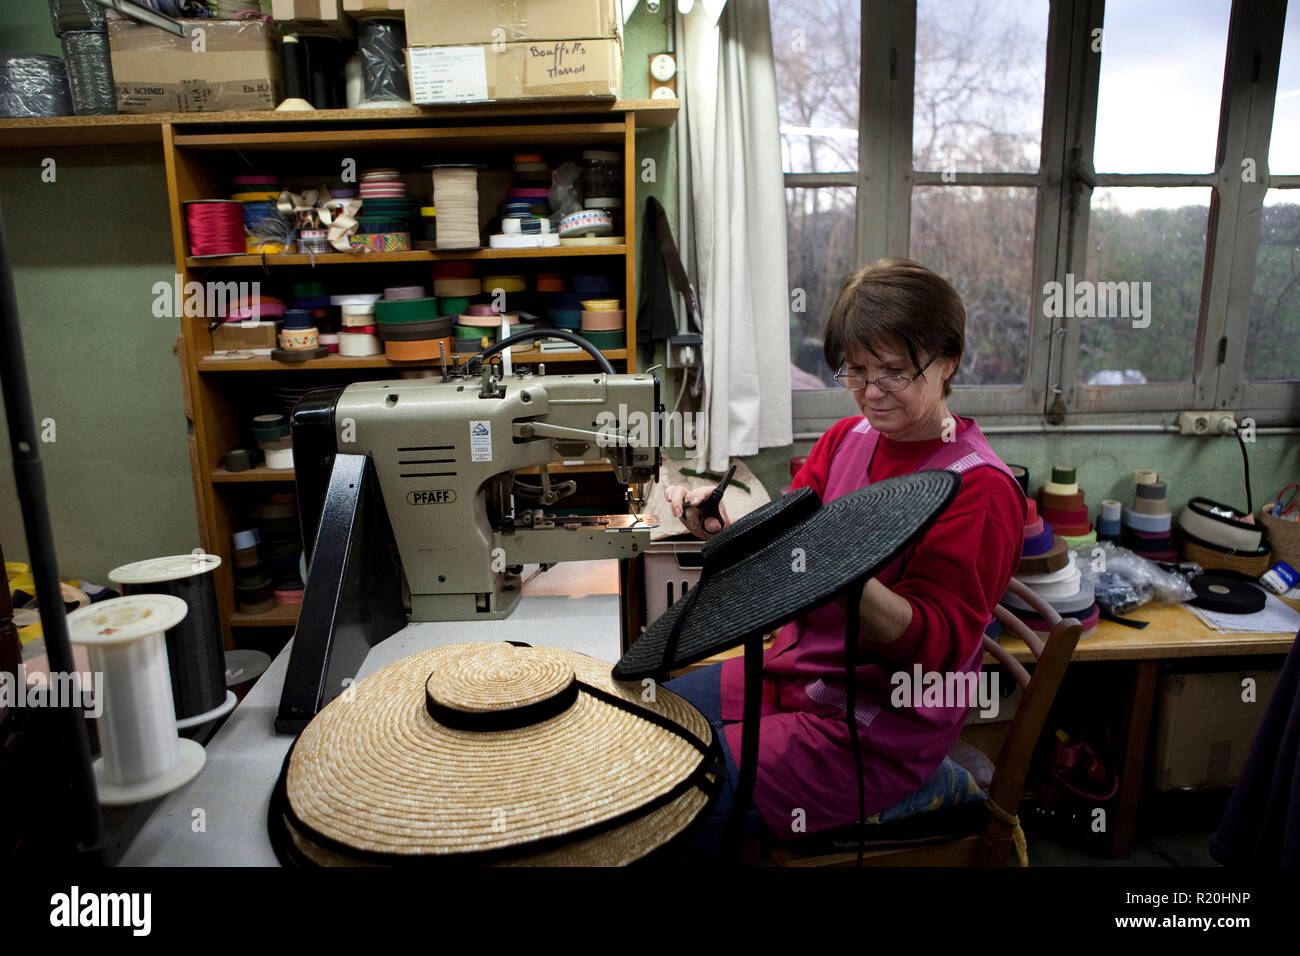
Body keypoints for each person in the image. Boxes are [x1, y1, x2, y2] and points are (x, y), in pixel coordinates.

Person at [663, 258, 1027, 855]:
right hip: (797, 674)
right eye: (855, 372)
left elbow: (935, 656)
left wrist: (840, 570)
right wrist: (725, 530)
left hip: (875, 728)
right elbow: (787, 542)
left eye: (892, 372)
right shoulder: (848, 438)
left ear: (947, 362)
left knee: (676, 794)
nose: (870, 392)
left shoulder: (977, 490)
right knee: (644, 725)